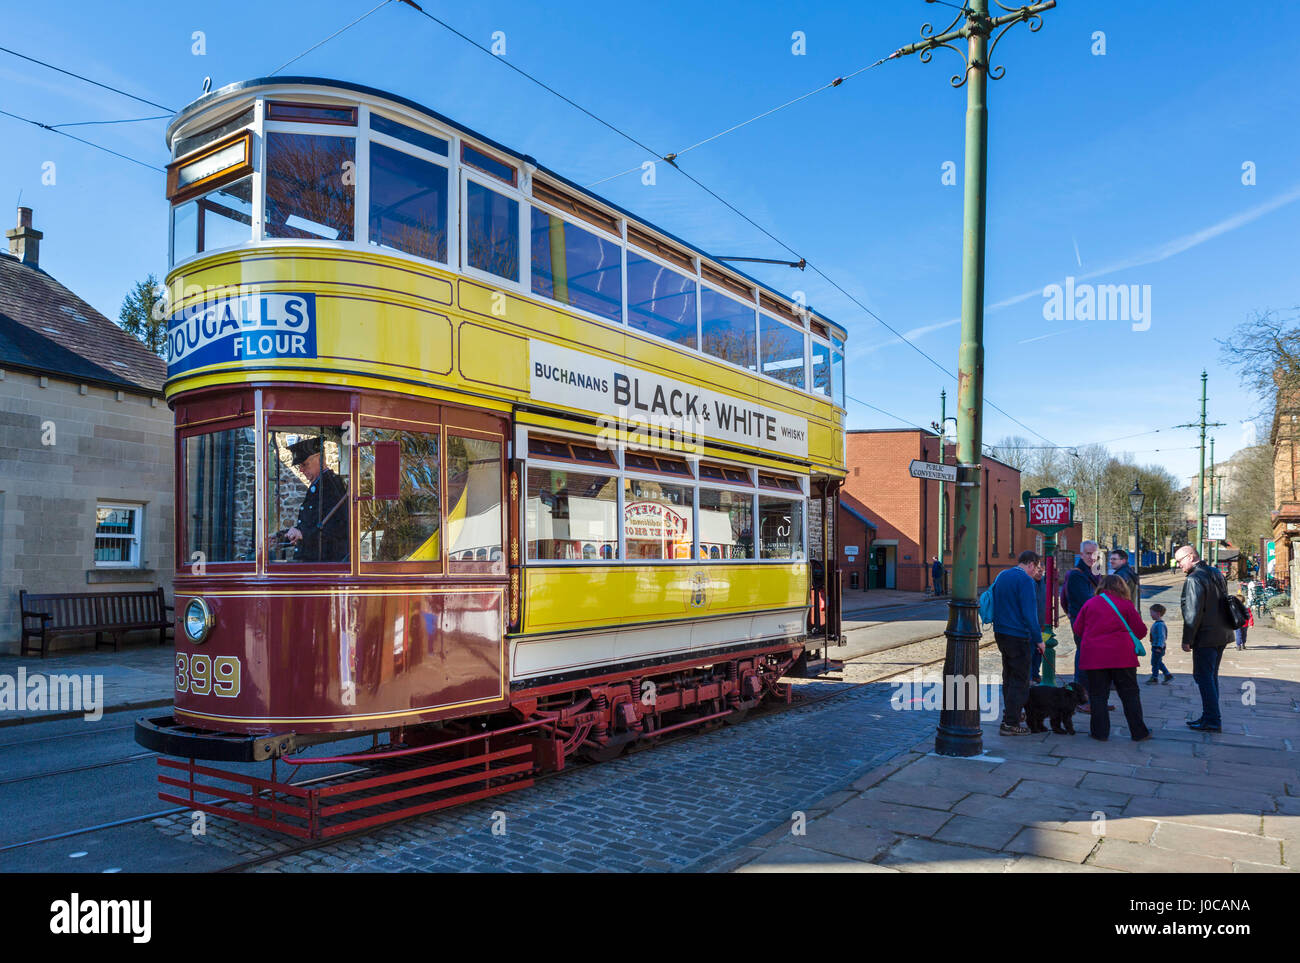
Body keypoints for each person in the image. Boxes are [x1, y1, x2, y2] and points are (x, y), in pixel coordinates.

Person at [1072, 575, 1152, 742]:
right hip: (1122, 657)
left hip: (1094, 657)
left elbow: (1078, 628)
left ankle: (1099, 733)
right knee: (1130, 694)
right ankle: (1139, 732)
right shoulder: (1126, 604)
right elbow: (1141, 631)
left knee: (1098, 695)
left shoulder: (1090, 603)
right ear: (1122, 587)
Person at [1174, 544, 1233, 732]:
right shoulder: (1215, 572)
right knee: (1211, 676)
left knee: (1202, 677)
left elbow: (1193, 613)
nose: (1179, 565)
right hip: (1221, 633)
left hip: (1205, 636)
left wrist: (1187, 639)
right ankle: (1209, 717)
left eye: (1180, 561)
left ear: (1191, 557)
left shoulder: (1194, 579)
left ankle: (1213, 720)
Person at [990, 549, 1045, 736]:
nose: (1036, 571)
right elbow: (1030, 615)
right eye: (1036, 567)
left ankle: (1010, 712)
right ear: (1030, 564)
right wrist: (1039, 640)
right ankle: (1010, 723)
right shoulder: (1026, 581)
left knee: (1009, 676)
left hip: (1001, 632)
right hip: (1018, 635)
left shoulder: (1002, 575)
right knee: (1020, 680)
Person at [285, 437, 349, 563]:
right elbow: (312, 524)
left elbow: (338, 527)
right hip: (313, 564)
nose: (301, 470)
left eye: (305, 464)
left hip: (325, 565)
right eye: (300, 466)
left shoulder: (331, 486)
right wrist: (284, 535)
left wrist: (303, 534)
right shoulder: (319, 486)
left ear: (320, 460)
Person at [1063, 540, 1105, 711]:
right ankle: (1081, 699)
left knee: (1090, 659)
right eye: (1088, 553)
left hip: (1092, 622)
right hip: (1083, 622)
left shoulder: (1095, 572)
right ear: (1081, 555)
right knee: (1083, 658)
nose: (1091, 557)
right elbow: (1088, 601)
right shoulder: (1076, 574)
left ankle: (1091, 698)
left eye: (1094, 553)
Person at [1146, 603, 1173, 685]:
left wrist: (1159, 647)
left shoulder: (1160, 624)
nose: (1150, 614)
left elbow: (1162, 637)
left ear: (1158, 613)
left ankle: (1155, 677)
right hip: (1155, 646)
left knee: (1154, 662)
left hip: (1158, 647)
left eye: (1151, 613)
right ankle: (1167, 675)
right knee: (1157, 662)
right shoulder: (1157, 623)